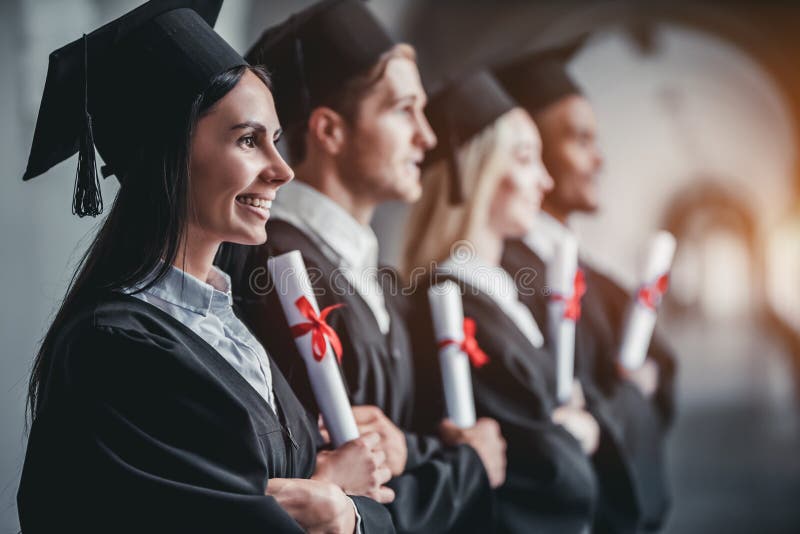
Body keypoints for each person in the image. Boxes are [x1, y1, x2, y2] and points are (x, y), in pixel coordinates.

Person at [17, 1, 394, 532]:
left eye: (276, 142)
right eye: (248, 140)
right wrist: (338, 504)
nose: (282, 170)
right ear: (171, 151)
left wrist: (328, 486)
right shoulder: (114, 346)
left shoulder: (223, 325)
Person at [216, 1, 504, 532]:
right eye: (402, 109)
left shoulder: (367, 272)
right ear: (329, 131)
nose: (428, 135)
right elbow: (337, 493)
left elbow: (385, 451)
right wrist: (468, 468)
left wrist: (409, 448)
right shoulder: (276, 270)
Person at [401, 68, 602, 534]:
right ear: (480, 171)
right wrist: (578, 432)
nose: (545, 181)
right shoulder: (447, 303)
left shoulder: (504, 290)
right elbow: (545, 467)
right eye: (527, 158)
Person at [495, 38, 676, 532]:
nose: (599, 159)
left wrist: (636, 389)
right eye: (580, 139)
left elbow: (662, 371)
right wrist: (626, 398)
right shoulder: (508, 278)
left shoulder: (596, 280)